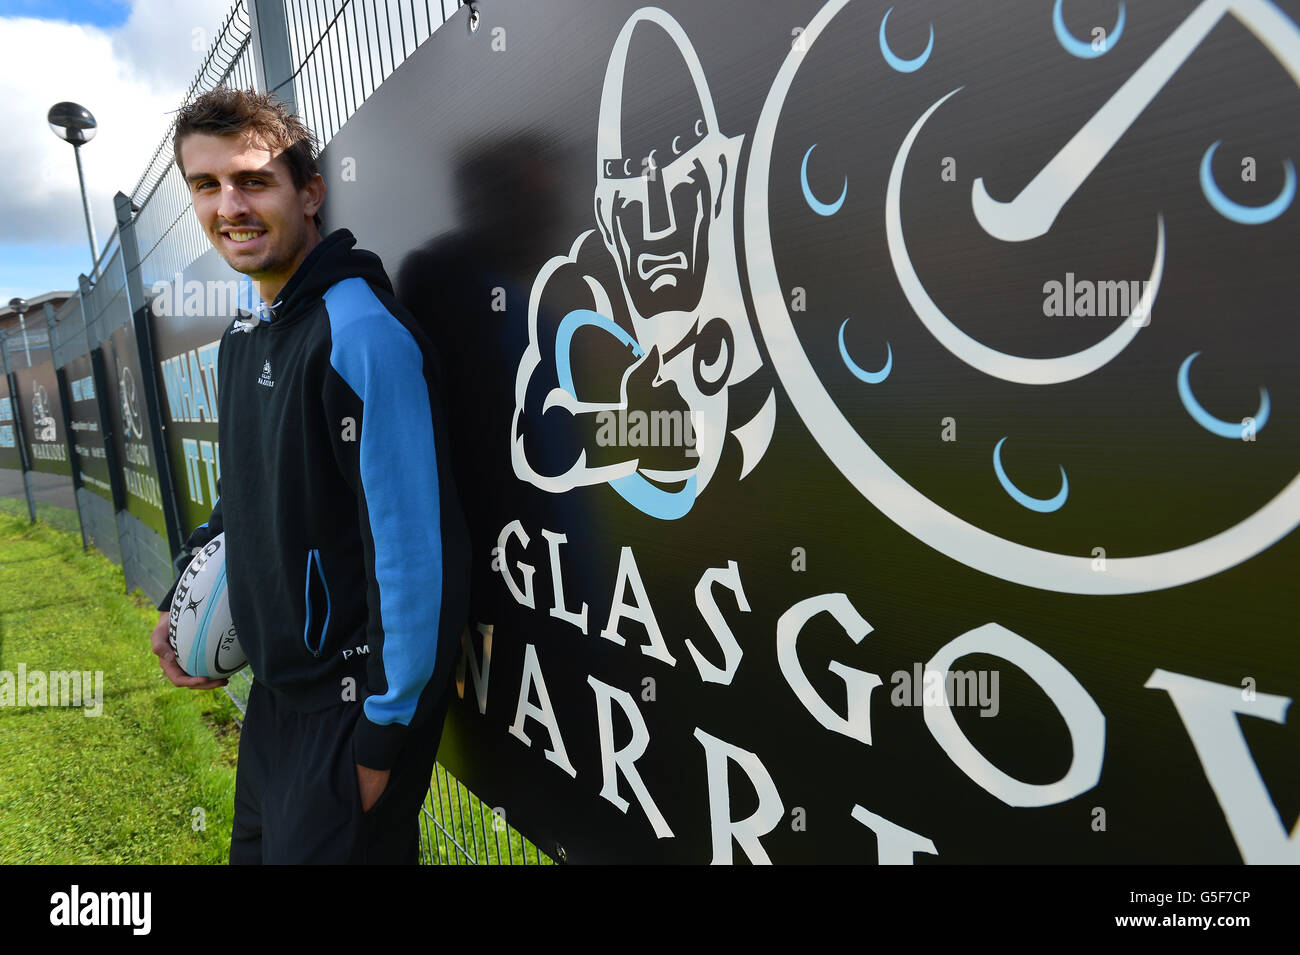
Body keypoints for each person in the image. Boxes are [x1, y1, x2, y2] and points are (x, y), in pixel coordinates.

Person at [147, 87, 468, 864]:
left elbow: (416, 560)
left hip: (346, 719)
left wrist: (380, 742)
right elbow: (243, 496)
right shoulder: (247, 335)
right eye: (207, 184)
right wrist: (182, 599)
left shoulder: (361, 333)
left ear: (309, 193)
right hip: (273, 709)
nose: (230, 205)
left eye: (254, 180)